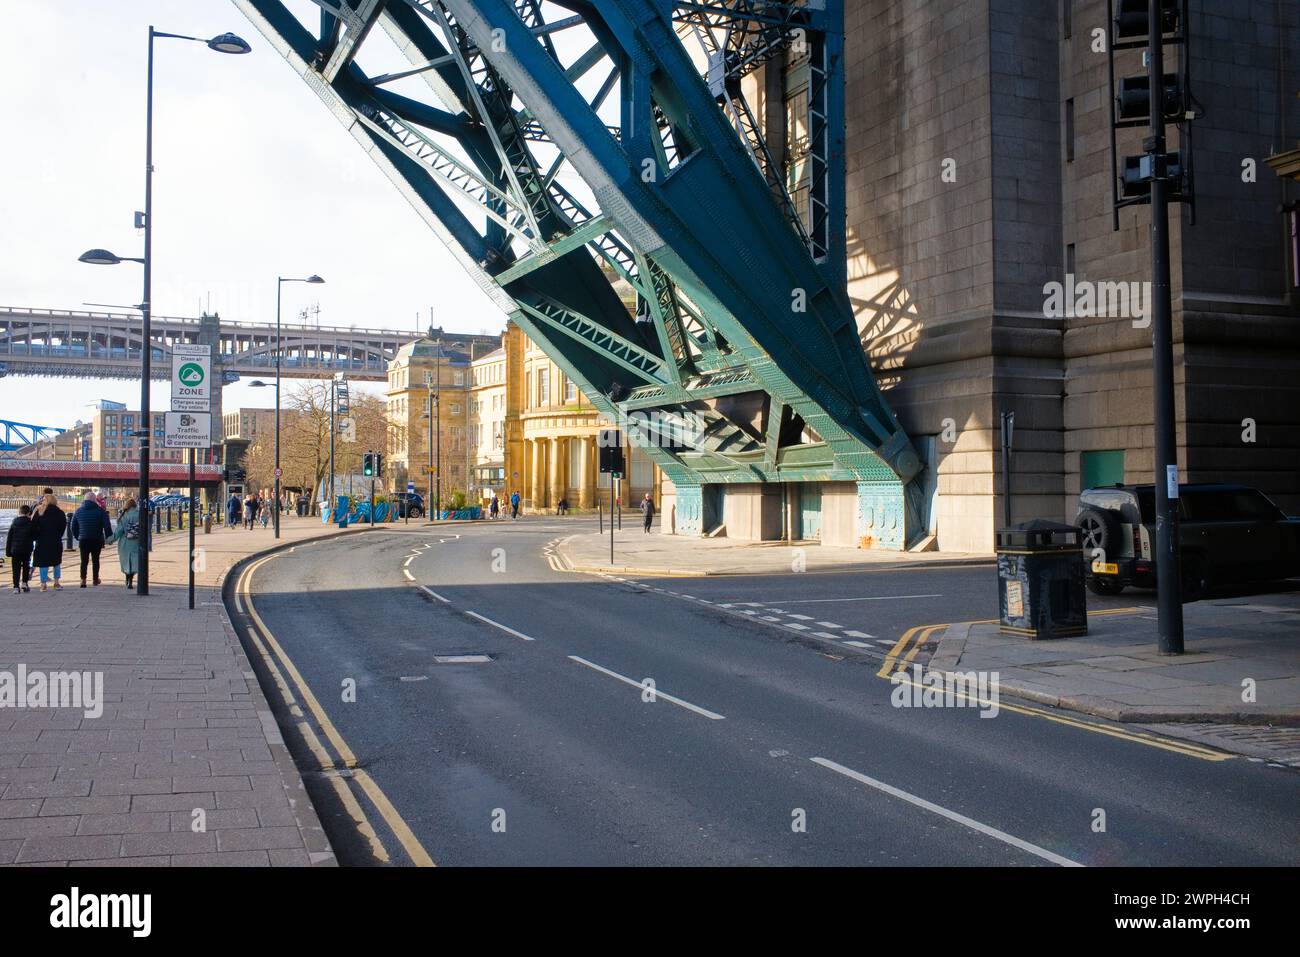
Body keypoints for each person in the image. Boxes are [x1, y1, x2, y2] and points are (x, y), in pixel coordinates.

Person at [70, 491, 112, 587]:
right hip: (96, 539)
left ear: (84, 500)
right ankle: (95, 579)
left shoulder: (78, 511)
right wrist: (109, 537)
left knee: (83, 561)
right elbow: (107, 526)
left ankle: (83, 580)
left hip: (83, 539)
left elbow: (73, 526)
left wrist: (78, 536)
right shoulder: (100, 511)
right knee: (95, 560)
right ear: (94, 500)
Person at [31, 493, 67, 591]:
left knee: (43, 563)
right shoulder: (60, 512)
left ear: (45, 501)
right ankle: (56, 583)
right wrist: (58, 535)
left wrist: (36, 536)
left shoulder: (39, 511)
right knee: (56, 562)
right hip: (55, 540)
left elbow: (33, 526)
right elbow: (63, 526)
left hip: (42, 541)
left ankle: (43, 585)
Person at [107, 497, 142, 589]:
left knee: (126, 562)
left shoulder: (124, 516)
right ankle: (131, 579)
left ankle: (127, 578)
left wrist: (109, 540)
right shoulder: (141, 514)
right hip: (137, 542)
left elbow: (118, 532)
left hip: (124, 543)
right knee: (134, 561)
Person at [5, 504, 35, 594]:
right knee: (26, 566)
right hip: (27, 548)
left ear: (19, 512)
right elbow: (34, 536)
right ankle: (24, 583)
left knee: (16, 568)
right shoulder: (30, 523)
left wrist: (8, 551)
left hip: (15, 549)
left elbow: (9, 538)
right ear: (28, 513)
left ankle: (16, 587)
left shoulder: (14, 522)